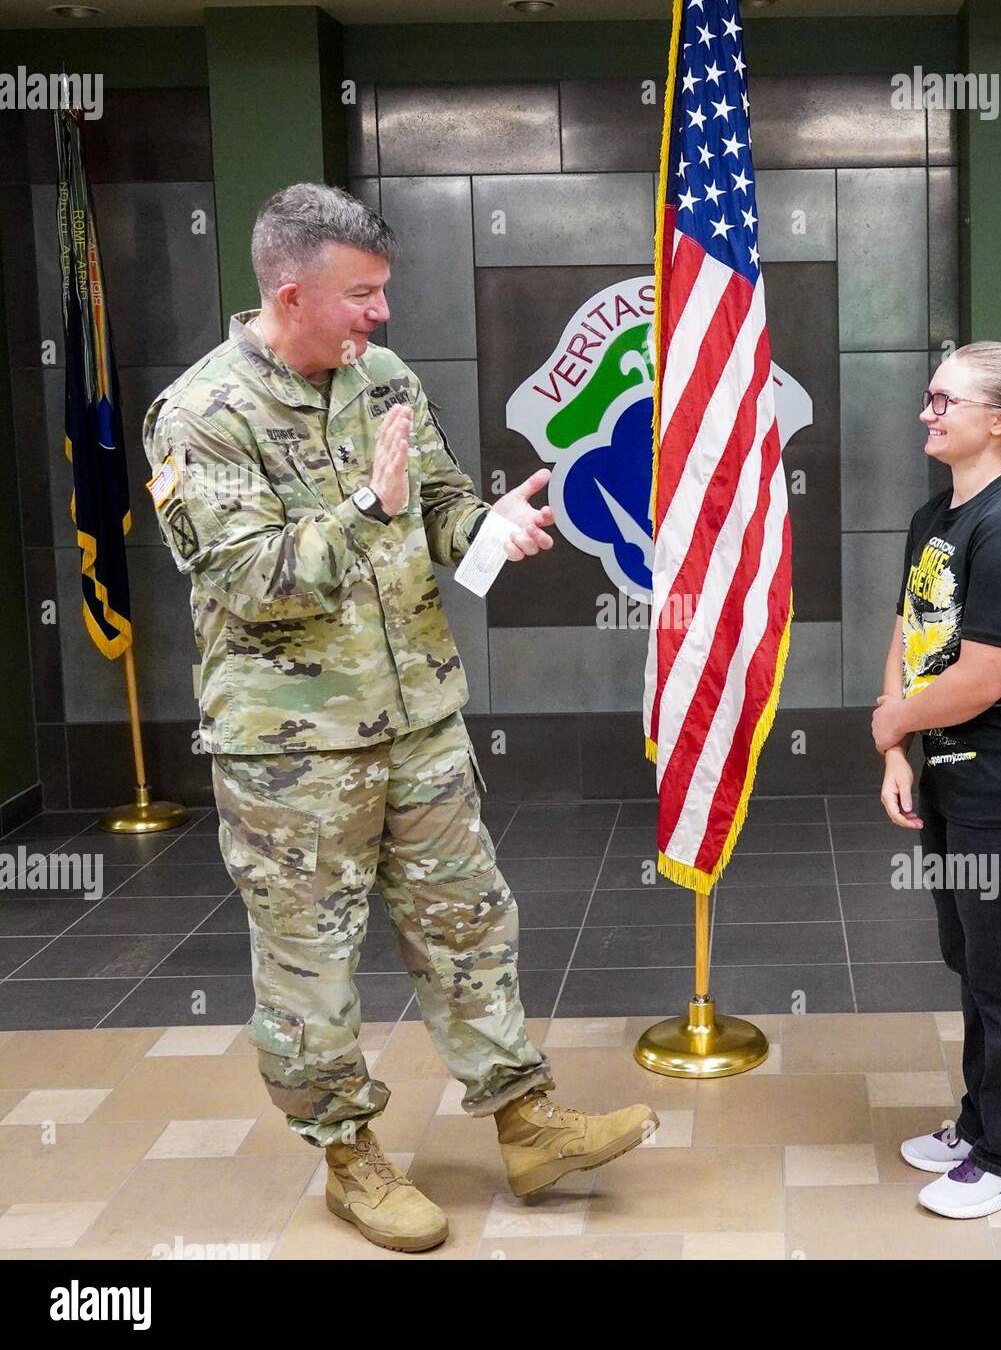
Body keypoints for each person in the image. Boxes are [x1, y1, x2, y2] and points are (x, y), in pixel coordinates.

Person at [142, 183, 657, 1253]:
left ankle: (526, 1122)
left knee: (468, 921)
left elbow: (434, 500)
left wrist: (492, 521)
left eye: (382, 292)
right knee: (310, 961)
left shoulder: (382, 376)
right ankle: (349, 1158)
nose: (380, 314)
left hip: (417, 713)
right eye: (361, 295)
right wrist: (366, 509)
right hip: (292, 752)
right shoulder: (199, 415)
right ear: (293, 292)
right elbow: (252, 579)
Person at [871, 340, 1001, 1220]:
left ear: (1000, 421)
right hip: (954, 775)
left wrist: (894, 723)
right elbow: (911, 633)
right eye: (928, 396)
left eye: (944, 400)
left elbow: (984, 678)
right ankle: (980, 1120)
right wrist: (894, 748)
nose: (929, 410)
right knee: (972, 961)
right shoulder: (938, 516)